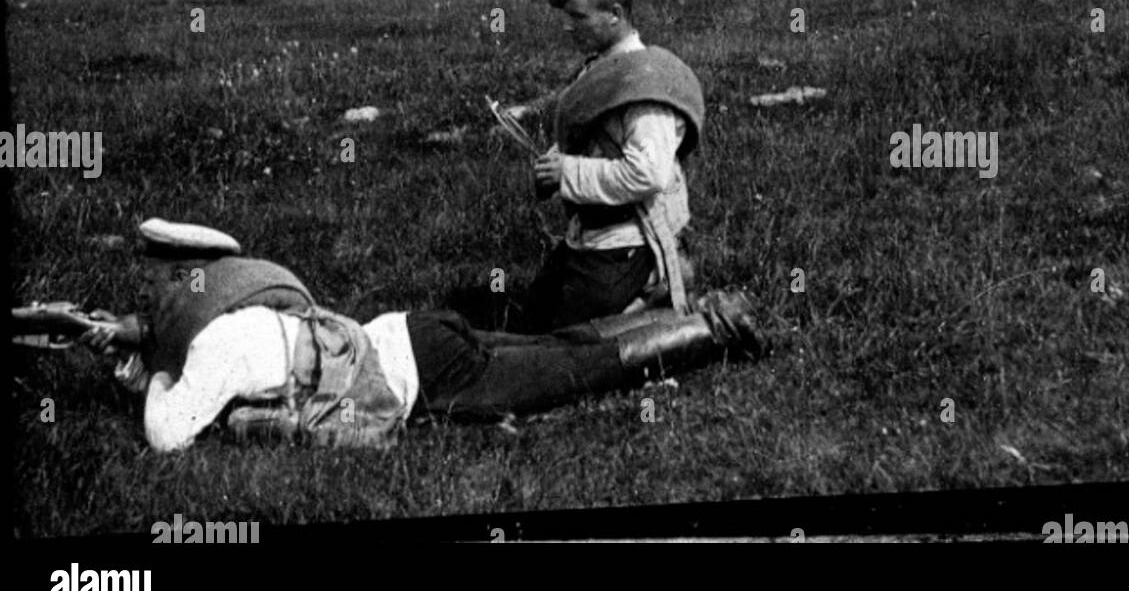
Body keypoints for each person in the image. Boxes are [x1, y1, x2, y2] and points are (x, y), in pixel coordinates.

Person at [78, 219, 763, 452]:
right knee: (561, 348)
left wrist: (150, 377)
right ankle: (686, 313)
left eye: (158, 292)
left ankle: (712, 330)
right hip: (411, 332)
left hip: (424, 376)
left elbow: (168, 435)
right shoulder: (242, 320)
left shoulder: (210, 350)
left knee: (571, 373)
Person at [505, 0, 703, 332]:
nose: (568, 28)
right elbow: (593, 139)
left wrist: (568, 171)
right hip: (591, 233)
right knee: (529, 323)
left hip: (629, 239)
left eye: (578, 17)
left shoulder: (646, 82)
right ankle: (632, 302)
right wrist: (555, 165)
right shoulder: (599, 67)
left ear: (614, 13)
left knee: (562, 346)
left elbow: (647, 175)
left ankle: (649, 295)